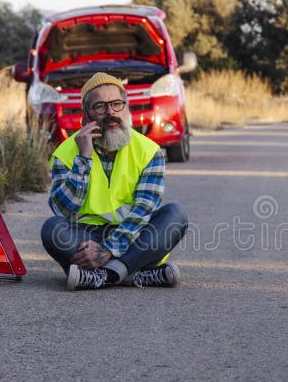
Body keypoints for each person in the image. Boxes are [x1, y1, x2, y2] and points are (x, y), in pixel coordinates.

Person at [41, 72, 188, 290]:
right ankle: (135, 273)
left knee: (175, 215)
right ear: (86, 115)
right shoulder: (66, 153)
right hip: (86, 236)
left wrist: (108, 250)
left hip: (134, 235)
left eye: (117, 104)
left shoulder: (149, 152)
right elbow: (62, 210)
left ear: (126, 107)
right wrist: (83, 159)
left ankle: (103, 275)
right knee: (52, 229)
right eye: (100, 106)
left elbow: (143, 211)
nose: (110, 112)